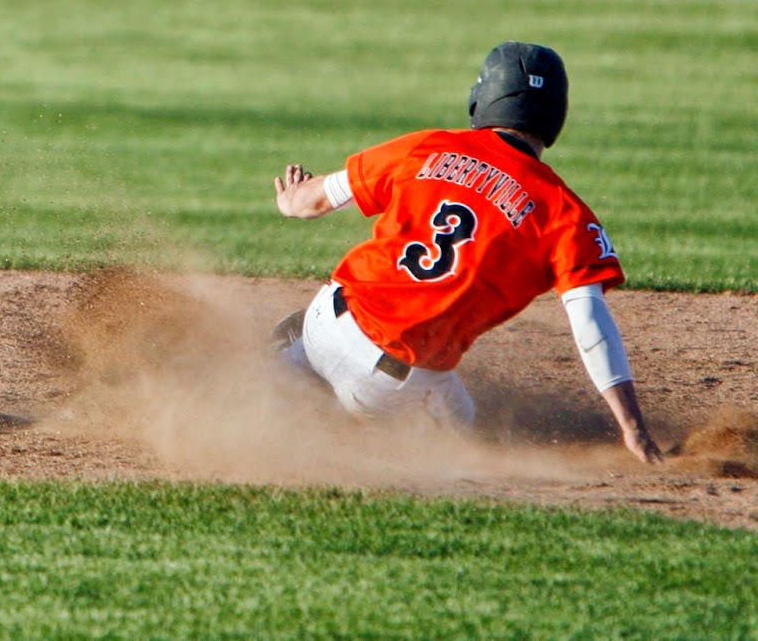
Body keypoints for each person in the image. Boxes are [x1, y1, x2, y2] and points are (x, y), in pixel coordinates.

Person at [269, 41, 663, 464]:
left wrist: (291, 199)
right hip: (389, 386)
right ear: (556, 115)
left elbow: (307, 202)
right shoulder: (564, 213)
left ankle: (281, 371)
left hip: (325, 323)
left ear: (483, 96)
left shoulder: (428, 146)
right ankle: (344, 425)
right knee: (468, 439)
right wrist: (633, 428)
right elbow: (591, 325)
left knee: (310, 335)